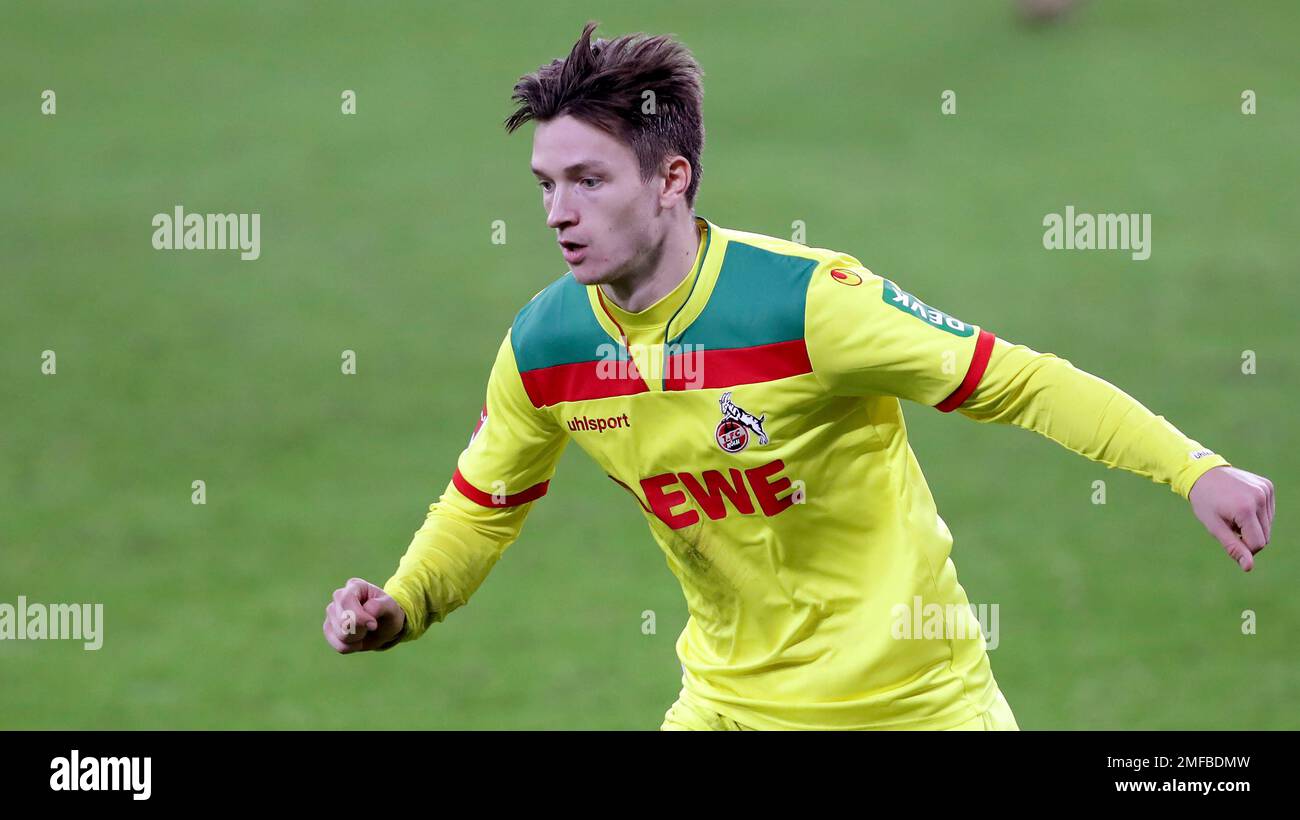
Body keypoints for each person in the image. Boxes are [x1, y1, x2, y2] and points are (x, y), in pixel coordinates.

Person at [322, 22, 1274, 730]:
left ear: (671, 180)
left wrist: (1193, 468)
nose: (557, 213)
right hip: (726, 708)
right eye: (545, 184)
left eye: (589, 180)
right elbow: (485, 501)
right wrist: (404, 604)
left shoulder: (806, 304)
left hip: (912, 709)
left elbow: (1016, 380)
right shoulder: (547, 346)